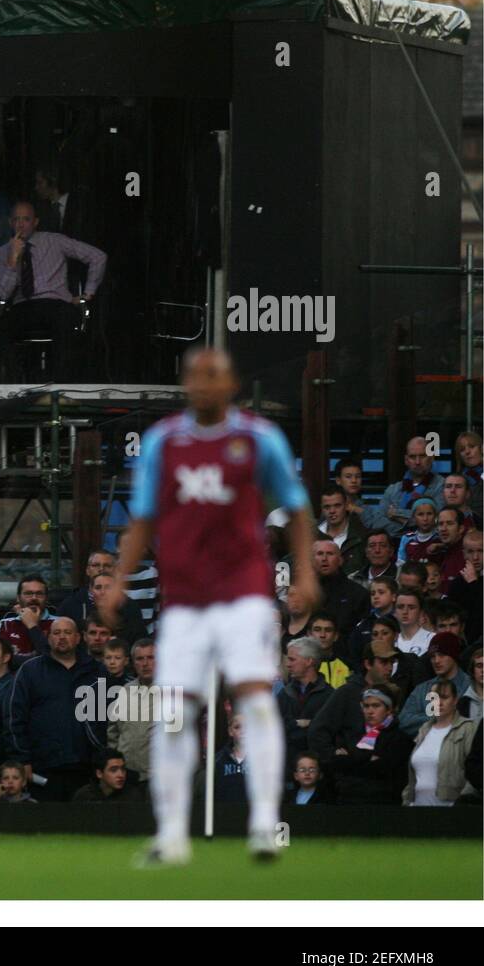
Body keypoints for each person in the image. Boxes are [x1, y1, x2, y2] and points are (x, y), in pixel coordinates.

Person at [103, 347, 319, 864]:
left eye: (213, 376)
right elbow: (144, 519)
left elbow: (296, 508)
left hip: (243, 595)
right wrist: (116, 579)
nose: (203, 384)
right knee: (176, 712)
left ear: (232, 384)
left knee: (255, 699)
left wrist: (306, 573)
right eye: (195, 376)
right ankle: (171, 835)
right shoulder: (162, 442)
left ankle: (265, 825)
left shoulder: (259, 438)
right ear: (185, 384)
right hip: (184, 602)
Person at [0, 199, 106, 381]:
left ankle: (61, 387)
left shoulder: (54, 240)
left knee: (66, 324)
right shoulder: (3, 252)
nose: (20, 224)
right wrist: (13, 259)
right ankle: (11, 387)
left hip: (55, 302)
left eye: (26, 219)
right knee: (1, 329)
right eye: (16, 219)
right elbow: (3, 294)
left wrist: (87, 293)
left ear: (35, 222)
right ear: (10, 223)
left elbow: (98, 257)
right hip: (24, 305)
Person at [8, 616, 107, 800]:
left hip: (86, 767)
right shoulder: (30, 671)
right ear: (48, 637)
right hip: (43, 766)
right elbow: (16, 718)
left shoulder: (97, 671)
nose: (62, 637)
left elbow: (107, 718)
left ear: (79, 638)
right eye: (56, 633)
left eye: (68, 633)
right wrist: (23, 759)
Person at [308, 640, 402, 766]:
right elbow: (318, 730)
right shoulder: (347, 692)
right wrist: (334, 756)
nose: (390, 668)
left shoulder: (395, 692)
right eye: (384, 662)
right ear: (368, 664)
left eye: (392, 662)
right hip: (351, 775)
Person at [329, 685, 412, 805]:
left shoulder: (399, 739)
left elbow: (386, 771)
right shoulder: (350, 735)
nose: (370, 711)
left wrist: (351, 760)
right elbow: (336, 765)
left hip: (383, 805)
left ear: (389, 709)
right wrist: (369, 759)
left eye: (376, 706)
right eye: (366, 706)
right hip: (348, 803)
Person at [402, 681, 481, 805]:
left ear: (455, 700)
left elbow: (473, 772)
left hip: (451, 810)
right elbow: (413, 776)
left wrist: (461, 805)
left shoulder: (468, 728)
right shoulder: (424, 729)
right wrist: (407, 801)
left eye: (444, 697)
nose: (438, 702)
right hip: (418, 806)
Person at [399, 633, 472, 737]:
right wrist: (441, 719)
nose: (436, 661)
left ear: (453, 655)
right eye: (433, 656)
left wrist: (425, 718)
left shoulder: (471, 686)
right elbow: (404, 720)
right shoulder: (422, 689)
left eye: (442, 655)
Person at [107, 638, 158, 783]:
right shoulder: (125, 691)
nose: (145, 663)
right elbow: (113, 732)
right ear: (133, 663)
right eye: (140, 659)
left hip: (156, 776)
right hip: (126, 776)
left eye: (150, 657)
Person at [277, 637, 333, 767]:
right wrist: (298, 723)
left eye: (292, 659)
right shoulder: (284, 694)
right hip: (288, 767)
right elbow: (276, 727)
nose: (287, 664)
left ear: (309, 661)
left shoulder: (330, 695)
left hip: (319, 767)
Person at [0, 574, 56, 664]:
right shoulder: (5, 625)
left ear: (46, 598)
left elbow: (53, 659)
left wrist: (32, 625)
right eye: (28, 594)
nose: (34, 598)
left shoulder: (59, 623)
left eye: (39, 594)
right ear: (18, 598)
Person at [313, 539, 367, 637]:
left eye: (329, 554)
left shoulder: (358, 593)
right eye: (320, 554)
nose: (324, 558)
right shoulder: (304, 592)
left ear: (340, 560)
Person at [317, 483, 368, 575]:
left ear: (346, 506)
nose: (332, 511)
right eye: (327, 507)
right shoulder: (310, 535)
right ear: (321, 508)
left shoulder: (361, 536)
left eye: (337, 505)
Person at [54, 548, 116, 621]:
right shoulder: (69, 605)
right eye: (96, 565)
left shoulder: (127, 603)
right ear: (88, 570)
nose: (101, 569)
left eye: (107, 565)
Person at [347, 576, 398, 664]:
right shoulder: (363, 624)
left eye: (381, 592)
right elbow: (354, 652)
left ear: (394, 596)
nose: (376, 596)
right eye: (372, 593)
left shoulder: (401, 622)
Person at [445, 529, 481, 643]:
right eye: (470, 552)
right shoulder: (457, 583)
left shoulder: (470, 582)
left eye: (481, 551)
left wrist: (473, 583)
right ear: (464, 554)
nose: (475, 557)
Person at [73, 748, 145, 802]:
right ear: (99, 773)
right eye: (113, 770)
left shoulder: (133, 796)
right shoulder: (84, 796)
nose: (121, 775)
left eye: (123, 769)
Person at [305, 612, 350, 689]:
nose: (322, 635)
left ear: (336, 636)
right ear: (309, 634)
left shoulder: (348, 666)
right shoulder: (300, 664)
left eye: (328, 630)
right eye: (317, 630)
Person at [396, 498, 440, 565]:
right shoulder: (406, 538)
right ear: (414, 518)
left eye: (429, 514)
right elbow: (400, 564)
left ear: (435, 516)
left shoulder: (440, 537)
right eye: (420, 514)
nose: (425, 518)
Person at [393, 591, 434, 656]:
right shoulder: (391, 641)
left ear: (421, 612)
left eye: (411, 608)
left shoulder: (432, 639)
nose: (405, 611)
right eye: (400, 607)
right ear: (394, 612)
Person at [454, 431, 483, 516]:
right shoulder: (457, 480)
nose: (467, 452)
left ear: (481, 448)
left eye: (472, 446)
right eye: (462, 449)